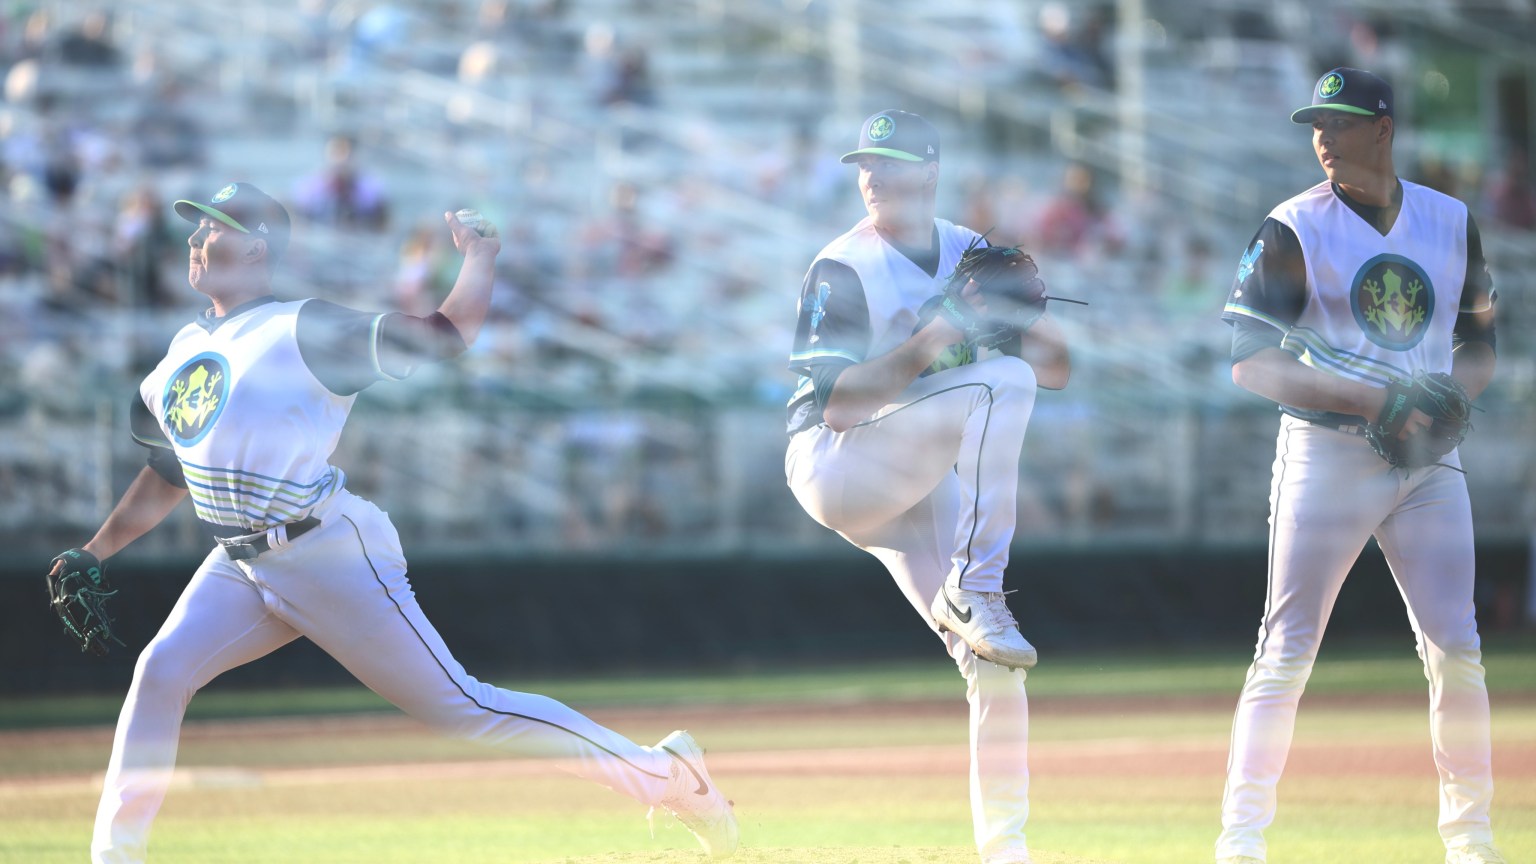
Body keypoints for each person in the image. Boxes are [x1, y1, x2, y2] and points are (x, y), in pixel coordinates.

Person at [50, 182, 738, 863]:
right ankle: (115, 857)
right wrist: (95, 550)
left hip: (326, 551)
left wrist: (480, 258)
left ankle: (671, 776)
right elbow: (168, 471)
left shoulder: (302, 327)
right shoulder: (180, 351)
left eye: (212, 227)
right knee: (160, 671)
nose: (196, 238)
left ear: (256, 248)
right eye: (197, 226)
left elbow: (448, 335)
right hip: (239, 562)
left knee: (465, 710)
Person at [1216, 68, 1503, 864]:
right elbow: (1250, 362)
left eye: (1339, 122)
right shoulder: (1292, 226)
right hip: (1328, 452)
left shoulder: (1450, 220)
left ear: (1382, 128)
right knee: (1287, 647)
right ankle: (1241, 841)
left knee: (1456, 645)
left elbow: (1480, 346)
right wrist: (1378, 400)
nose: (1323, 137)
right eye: (1316, 124)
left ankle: (1472, 840)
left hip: (1427, 460)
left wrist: (1451, 397)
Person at [783, 110, 1072, 864]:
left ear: (931, 172)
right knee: (1000, 382)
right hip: (837, 463)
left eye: (891, 160)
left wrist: (1026, 319)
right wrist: (942, 332)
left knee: (994, 662)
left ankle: (1006, 850)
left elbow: (1058, 368)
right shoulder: (843, 264)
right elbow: (839, 406)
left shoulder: (970, 251)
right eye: (864, 162)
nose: (872, 175)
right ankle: (976, 586)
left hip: (911, 474)